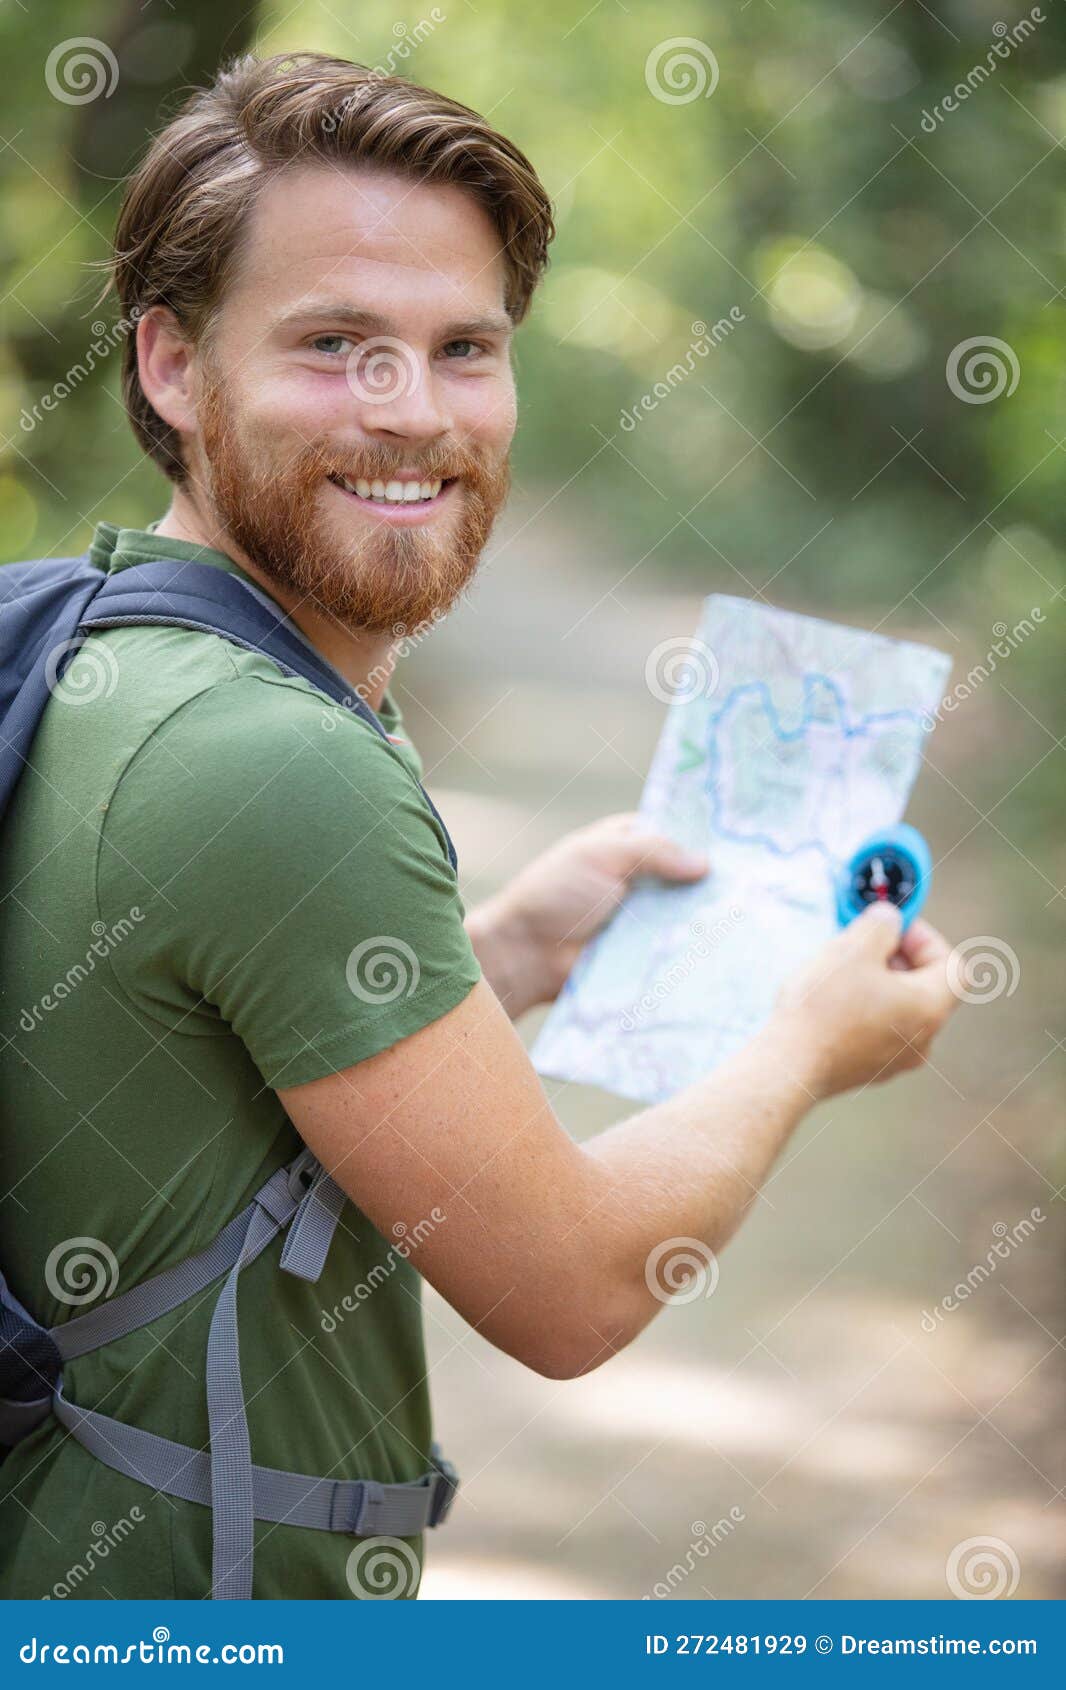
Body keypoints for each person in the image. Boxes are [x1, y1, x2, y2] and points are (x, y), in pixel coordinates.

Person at [0, 51, 958, 1600]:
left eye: (463, 348)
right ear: (172, 366)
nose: (412, 414)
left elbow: (162, 1066)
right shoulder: (270, 762)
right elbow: (573, 1288)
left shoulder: (100, 650)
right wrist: (807, 1041)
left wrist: (497, 951)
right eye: (334, 345)